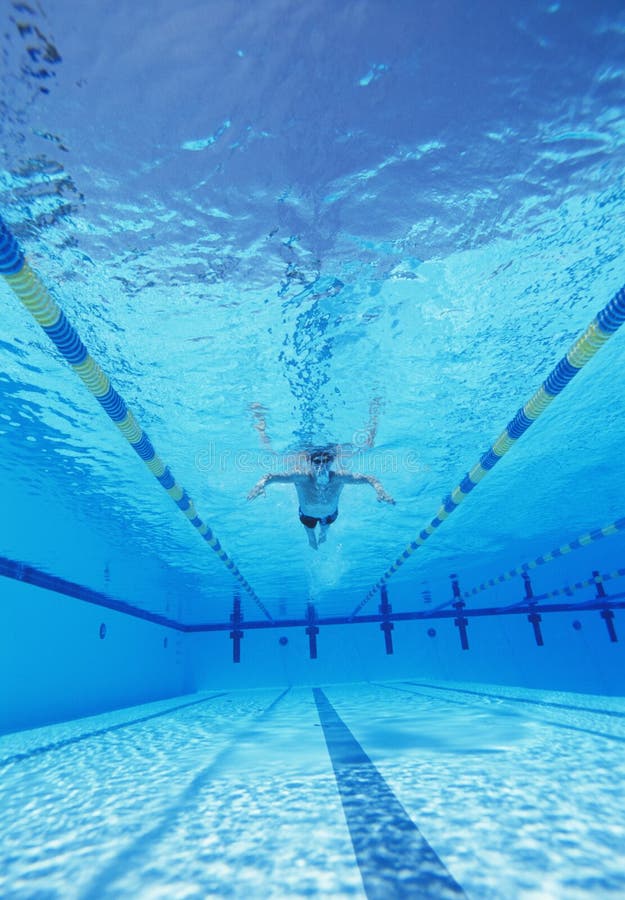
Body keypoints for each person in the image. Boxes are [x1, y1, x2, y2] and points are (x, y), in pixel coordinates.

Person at [247, 447, 395, 549]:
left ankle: (323, 535)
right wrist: (261, 485)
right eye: (317, 461)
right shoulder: (301, 477)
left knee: (324, 531)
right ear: (310, 462)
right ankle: (312, 539)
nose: (322, 465)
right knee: (311, 536)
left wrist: (379, 490)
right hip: (307, 516)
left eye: (327, 460)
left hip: (330, 515)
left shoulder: (339, 477)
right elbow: (270, 476)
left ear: (332, 462)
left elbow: (370, 478)